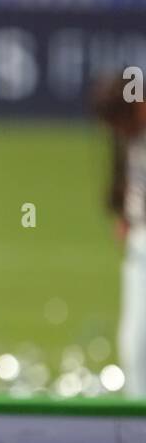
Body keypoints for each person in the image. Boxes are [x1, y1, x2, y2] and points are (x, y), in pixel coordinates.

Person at [95, 73, 146, 396]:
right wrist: (126, 213)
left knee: (139, 345)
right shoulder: (131, 134)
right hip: (140, 245)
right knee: (135, 344)